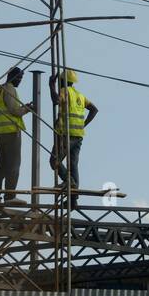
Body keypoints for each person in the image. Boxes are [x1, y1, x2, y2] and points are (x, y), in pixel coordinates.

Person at [50, 69, 98, 209]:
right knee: (73, 165)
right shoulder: (80, 95)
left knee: (54, 161)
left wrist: (51, 85)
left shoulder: (64, 91)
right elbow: (94, 109)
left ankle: (69, 182)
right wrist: (83, 125)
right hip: (78, 135)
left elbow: (55, 100)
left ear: (62, 80)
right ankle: (73, 200)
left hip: (66, 134)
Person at [0, 66, 34, 204]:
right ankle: (10, 196)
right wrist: (27, 109)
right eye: (19, 78)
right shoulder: (9, 89)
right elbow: (14, 110)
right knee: (13, 165)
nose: (20, 81)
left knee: (1, 164)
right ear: (12, 77)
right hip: (10, 132)